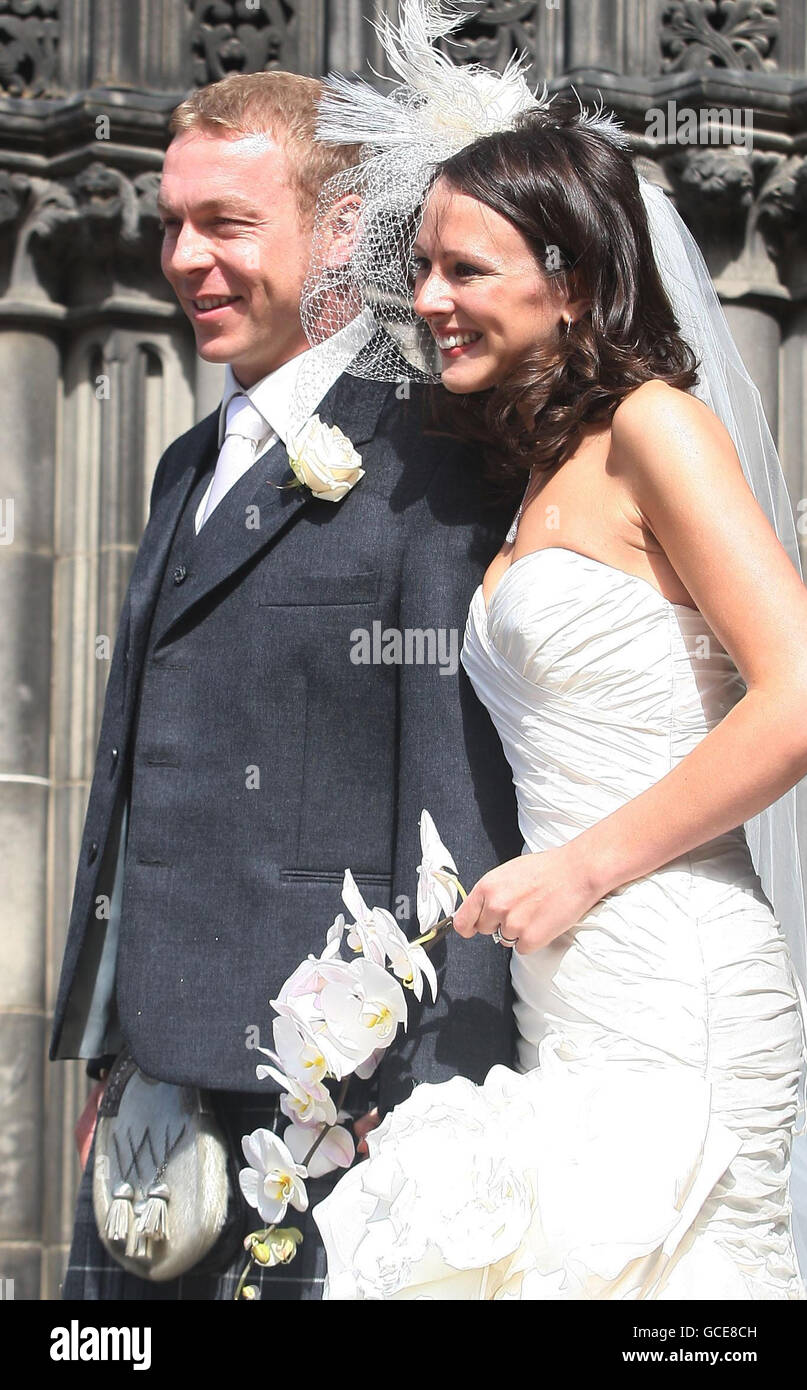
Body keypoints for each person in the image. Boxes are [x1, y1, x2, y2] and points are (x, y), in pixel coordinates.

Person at [307, 7, 807, 1299]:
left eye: (463, 271)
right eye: (419, 268)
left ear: (571, 279)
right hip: (572, 987)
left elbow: (796, 698)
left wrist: (578, 868)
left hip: (675, 965)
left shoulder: (657, 426)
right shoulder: (533, 469)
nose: (425, 302)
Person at [50, 68, 522, 1301]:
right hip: (152, 1109)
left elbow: (456, 812)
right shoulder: (181, 465)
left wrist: (438, 1106)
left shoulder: (432, 461)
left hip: (330, 1119)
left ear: (342, 231)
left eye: (227, 224)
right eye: (171, 224)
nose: (186, 258)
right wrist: (108, 1053)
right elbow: (133, 798)